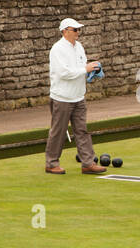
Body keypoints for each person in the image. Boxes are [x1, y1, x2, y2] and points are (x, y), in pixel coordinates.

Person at [45, 18, 105, 175]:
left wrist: (92, 71)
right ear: (65, 31)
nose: (78, 32)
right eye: (75, 29)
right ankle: (51, 164)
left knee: (82, 130)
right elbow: (63, 73)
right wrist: (85, 69)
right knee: (58, 132)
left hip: (78, 96)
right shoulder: (57, 49)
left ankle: (88, 163)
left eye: (79, 29)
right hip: (62, 98)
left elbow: (80, 68)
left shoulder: (79, 47)